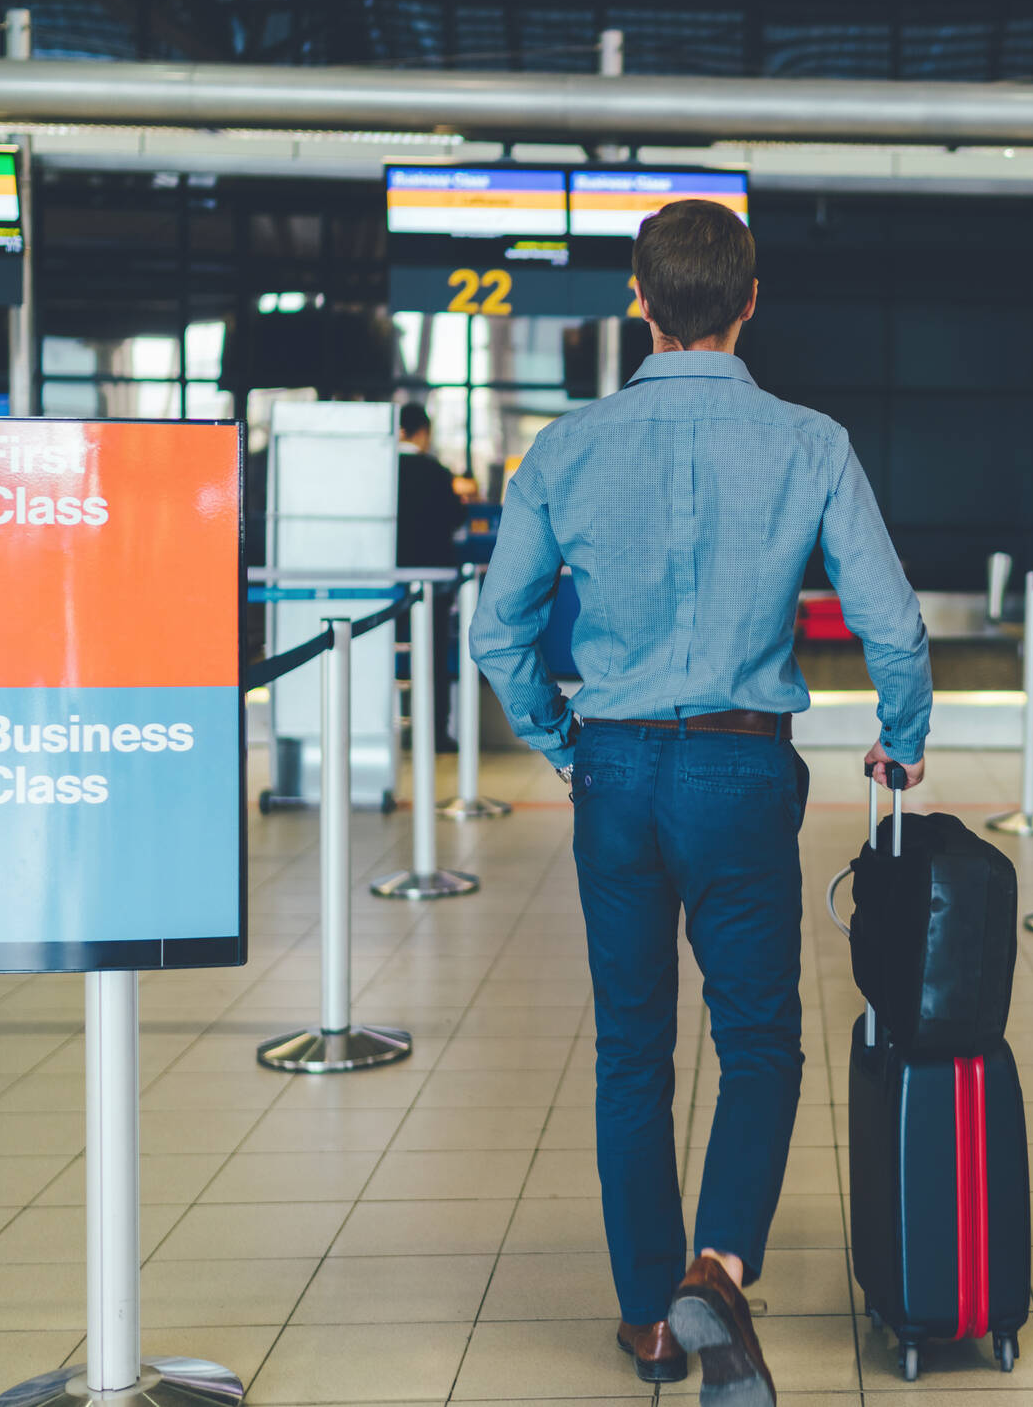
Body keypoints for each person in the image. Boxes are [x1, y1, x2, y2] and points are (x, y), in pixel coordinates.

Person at [471, 199, 931, 1402]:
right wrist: (901, 735)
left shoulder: (564, 446)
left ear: (637, 297)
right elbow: (891, 620)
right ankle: (717, 1265)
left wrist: (559, 738)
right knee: (758, 1039)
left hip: (615, 769)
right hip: (739, 768)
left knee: (631, 1049)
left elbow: (496, 628)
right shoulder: (810, 441)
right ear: (750, 299)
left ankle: (649, 1323)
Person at [396, 402, 464, 750]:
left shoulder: (379, 471)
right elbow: (455, 519)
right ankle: (435, 733)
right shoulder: (436, 472)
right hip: (432, 582)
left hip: (386, 584)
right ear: (423, 432)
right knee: (433, 655)